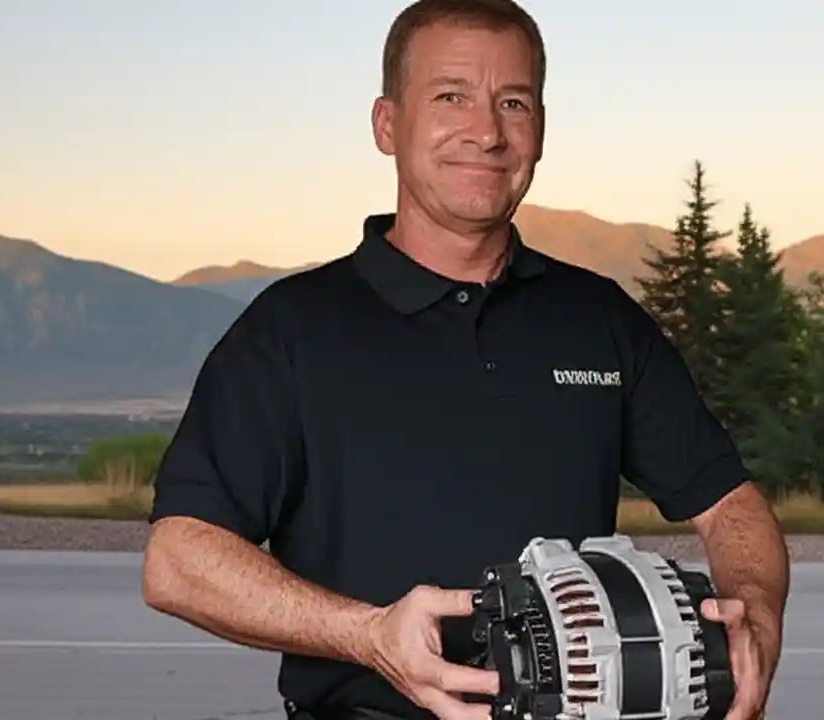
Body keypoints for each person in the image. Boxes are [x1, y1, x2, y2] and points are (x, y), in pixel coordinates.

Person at [141, 1, 789, 719]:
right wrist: (367, 635)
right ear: (388, 124)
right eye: (451, 96)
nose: (486, 131)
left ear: (539, 129)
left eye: (512, 102)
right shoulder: (291, 330)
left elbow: (730, 504)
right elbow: (179, 559)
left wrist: (754, 618)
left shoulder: (600, 319)